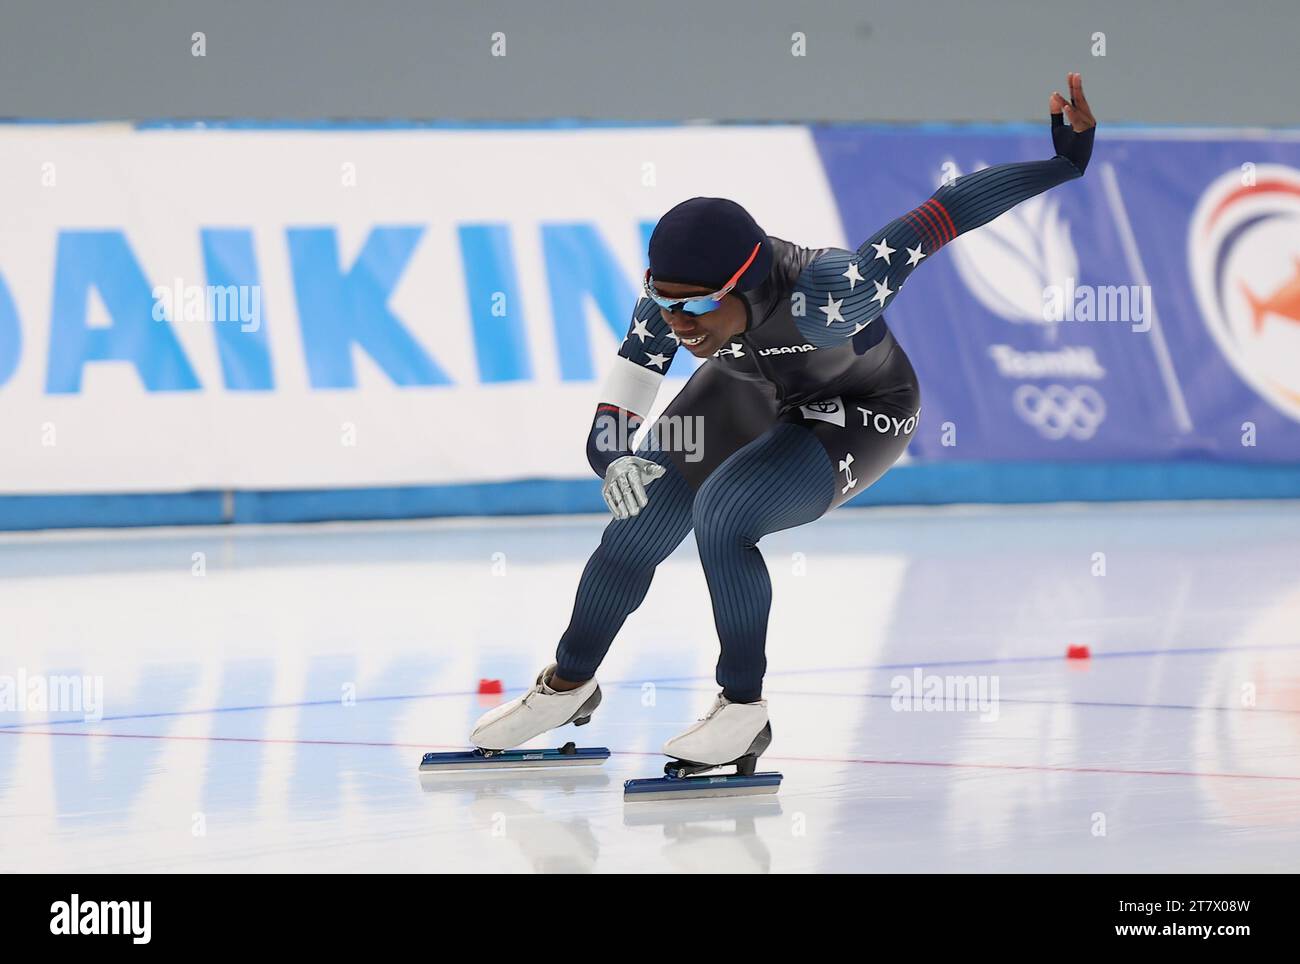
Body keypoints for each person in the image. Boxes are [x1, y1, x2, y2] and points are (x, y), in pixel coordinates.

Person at [471, 74, 1098, 773]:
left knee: (725, 513)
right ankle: (567, 685)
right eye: (664, 302)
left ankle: (743, 710)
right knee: (638, 515)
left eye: (698, 307)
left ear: (744, 284)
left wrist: (1063, 164)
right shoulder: (669, 303)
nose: (677, 323)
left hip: (859, 409)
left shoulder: (830, 294)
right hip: (745, 391)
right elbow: (622, 403)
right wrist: (613, 459)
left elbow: (943, 214)